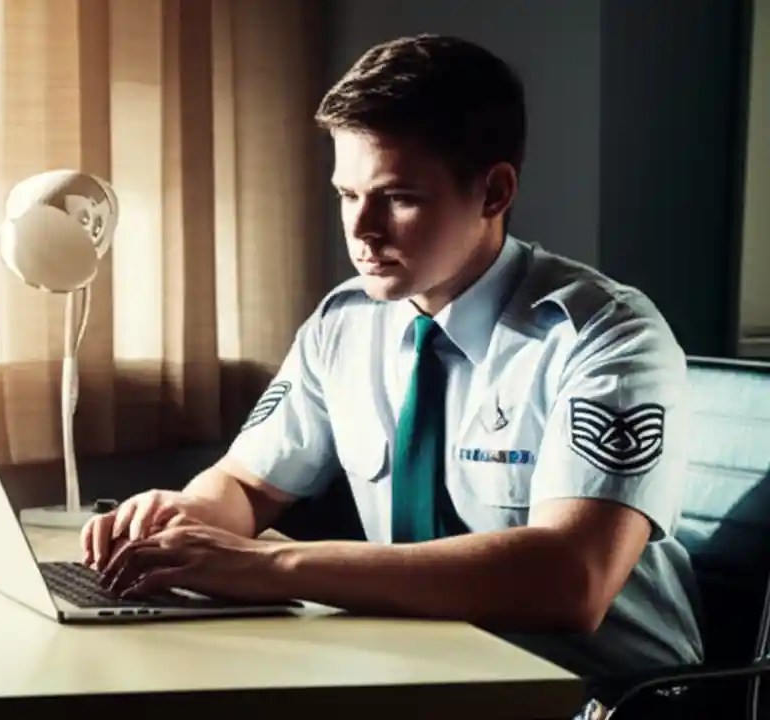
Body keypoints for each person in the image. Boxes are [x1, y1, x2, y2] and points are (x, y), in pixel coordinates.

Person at [79, 32, 703, 712]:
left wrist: (270, 566)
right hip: (427, 673)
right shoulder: (345, 322)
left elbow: (572, 579)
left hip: (606, 698)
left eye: (399, 197)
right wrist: (188, 518)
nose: (362, 230)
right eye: (348, 195)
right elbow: (248, 484)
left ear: (494, 191)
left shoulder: (605, 335)